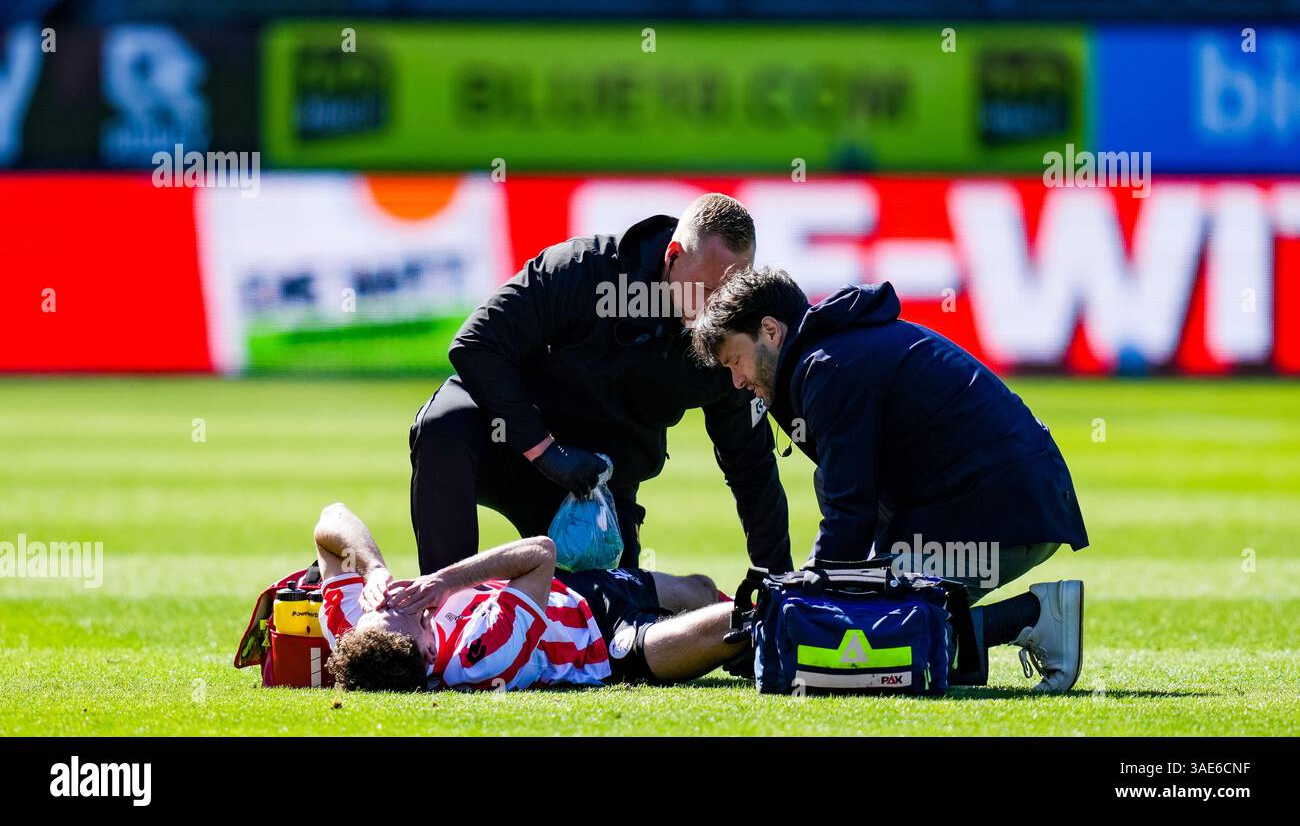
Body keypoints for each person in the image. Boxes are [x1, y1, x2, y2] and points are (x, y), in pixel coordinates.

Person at [690, 268, 1090, 692]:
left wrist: (805, 599)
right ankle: (1000, 631)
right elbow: (847, 497)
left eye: (735, 360)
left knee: (859, 636)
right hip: (1008, 504)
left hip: (1007, 512)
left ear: (770, 331)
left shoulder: (827, 368)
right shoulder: (831, 356)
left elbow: (851, 513)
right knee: (858, 626)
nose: (736, 381)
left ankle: (1035, 617)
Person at [409, 193, 791, 576]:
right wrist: (545, 451)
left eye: (731, 293)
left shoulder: (732, 335)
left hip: (597, 487)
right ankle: (443, 613)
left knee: (607, 627)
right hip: (508, 443)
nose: (717, 309)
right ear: (673, 255)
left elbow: (751, 466)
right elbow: (477, 344)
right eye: (707, 291)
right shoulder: (585, 271)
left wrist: (778, 583)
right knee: (444, 425)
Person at [313, 502, 744, 693]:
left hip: (578, 595)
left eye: (384, 603)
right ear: (428, 652)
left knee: (701, 590)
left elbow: (332, 518)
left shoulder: (356, 624)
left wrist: (374, 570)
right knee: (730, 622)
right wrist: (444, 581)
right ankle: (783, 621)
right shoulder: (478, 658)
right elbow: (540, 553)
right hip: (608, 651)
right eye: (406, 612)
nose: (395, 599)